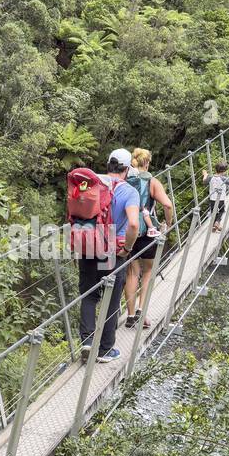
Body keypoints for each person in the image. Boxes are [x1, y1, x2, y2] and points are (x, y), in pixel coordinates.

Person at [77, 148, 139, 363]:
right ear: (127, 169)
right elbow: (133, 223)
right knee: (111, 299)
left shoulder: (93, 184)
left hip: (87, 246)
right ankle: (104, 350)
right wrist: (128, 249)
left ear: (108, 164)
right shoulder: (130, 191)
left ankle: (86, 342)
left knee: (88, 295)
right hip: (113, 250)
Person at [124, 148, 175, 329]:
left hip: (129, 231)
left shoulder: (125, 180)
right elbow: (167, 205)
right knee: (148, 272)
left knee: (131, 273)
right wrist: (168, 225)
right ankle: (141, 312)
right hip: (148, 232)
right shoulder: (152, 182)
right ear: (147, 163)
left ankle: (130, 316)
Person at [202, 161, 229, 231]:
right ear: (224, 171)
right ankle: (217, 222)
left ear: (215, 169)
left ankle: (215, 225)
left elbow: (204, 181)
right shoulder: (223, 178)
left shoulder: (210, 177)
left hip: (212, 199)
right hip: (221, 199)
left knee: (213, 212)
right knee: (222, 211)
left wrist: (205, 174)